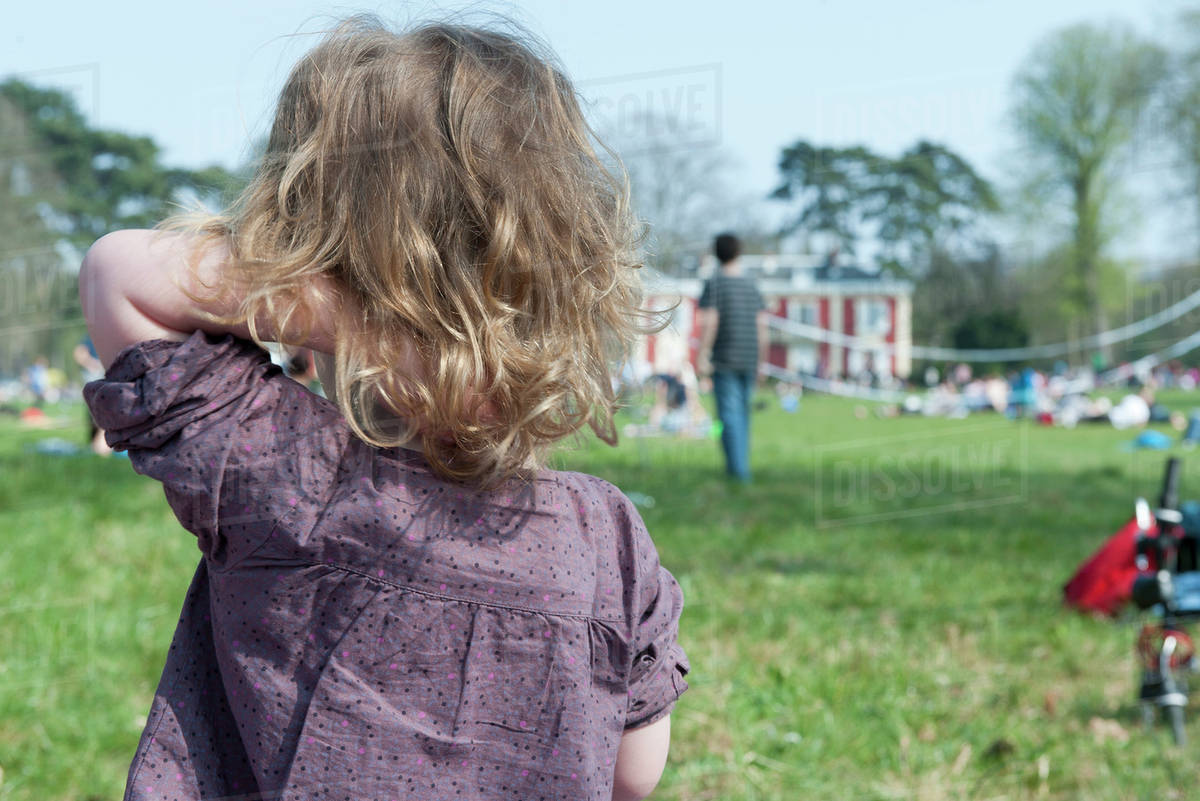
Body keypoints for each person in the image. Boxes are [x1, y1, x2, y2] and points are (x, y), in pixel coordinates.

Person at [79, 17, 687, 801]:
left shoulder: (284, 469)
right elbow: (634, 771)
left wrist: (382, 316)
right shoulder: (607, 539)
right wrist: (453, 327)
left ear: (303, 250)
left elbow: (120, 274)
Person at [696, 233, 766, 482]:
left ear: (716, 253)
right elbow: (762, 325)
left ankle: (738, 473)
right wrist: (761, 362)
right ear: (739, 252)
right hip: (749, 358)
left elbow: (710, 322)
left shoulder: (715, 283)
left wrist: (702, 355)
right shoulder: (751, 284)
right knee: (743, 415)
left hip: (725, 358)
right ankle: (740, 467)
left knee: (729, 416)